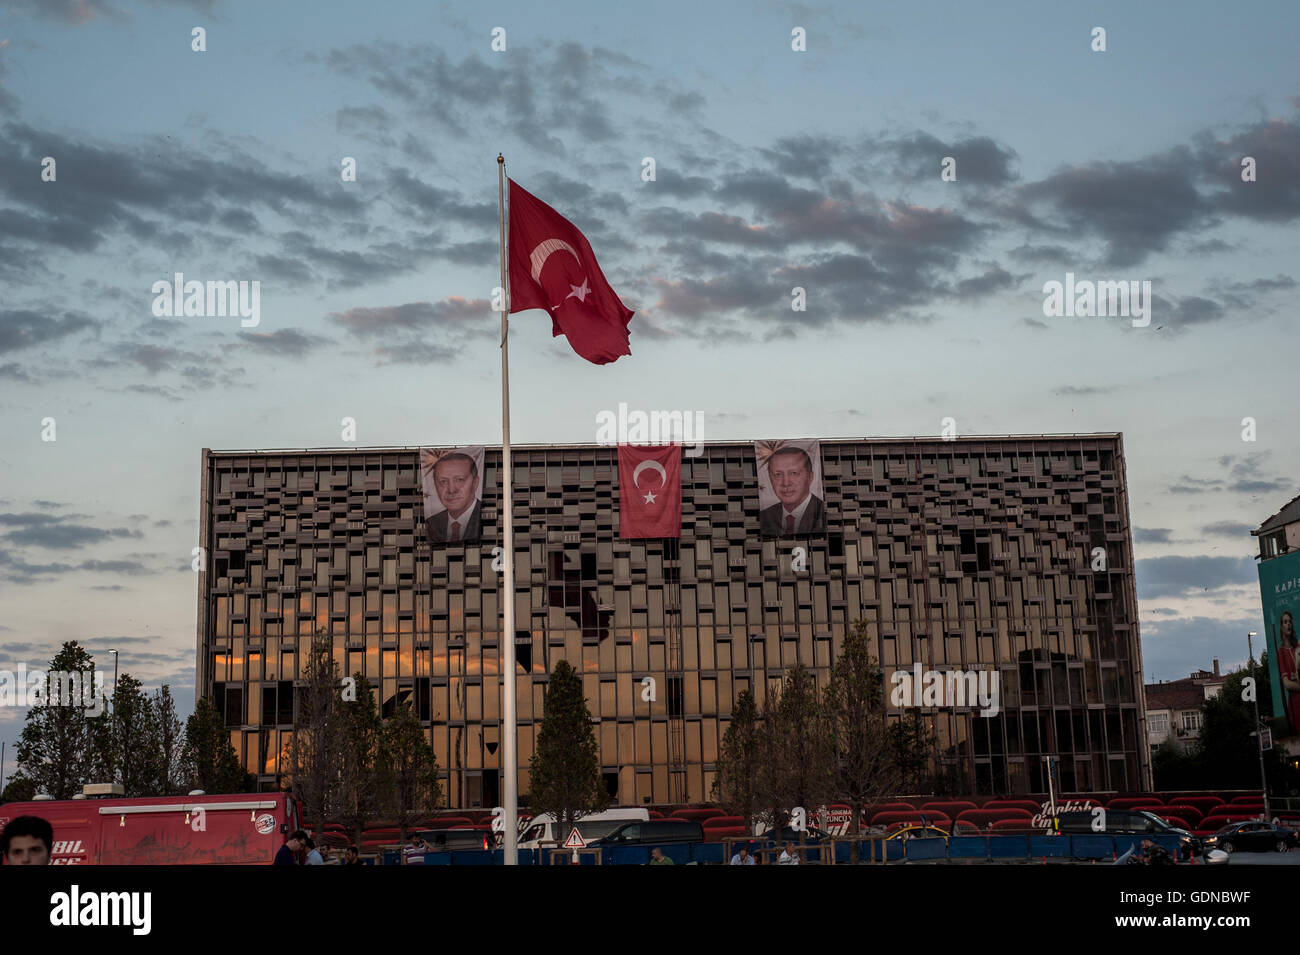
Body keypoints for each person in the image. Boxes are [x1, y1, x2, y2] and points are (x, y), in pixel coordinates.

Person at [759, 446, 825, 537]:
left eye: (794, 473)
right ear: (770, 479)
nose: (786, 483)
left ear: (810, 477)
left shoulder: (823, 512)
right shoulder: (765, 517)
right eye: (778, 474)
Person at [424, 451, 482, 543]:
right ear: (435, 485)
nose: (451, 490)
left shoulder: (484, 516)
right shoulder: (432, 524)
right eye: (443, 482)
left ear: (475, 483)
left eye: (459, 480)